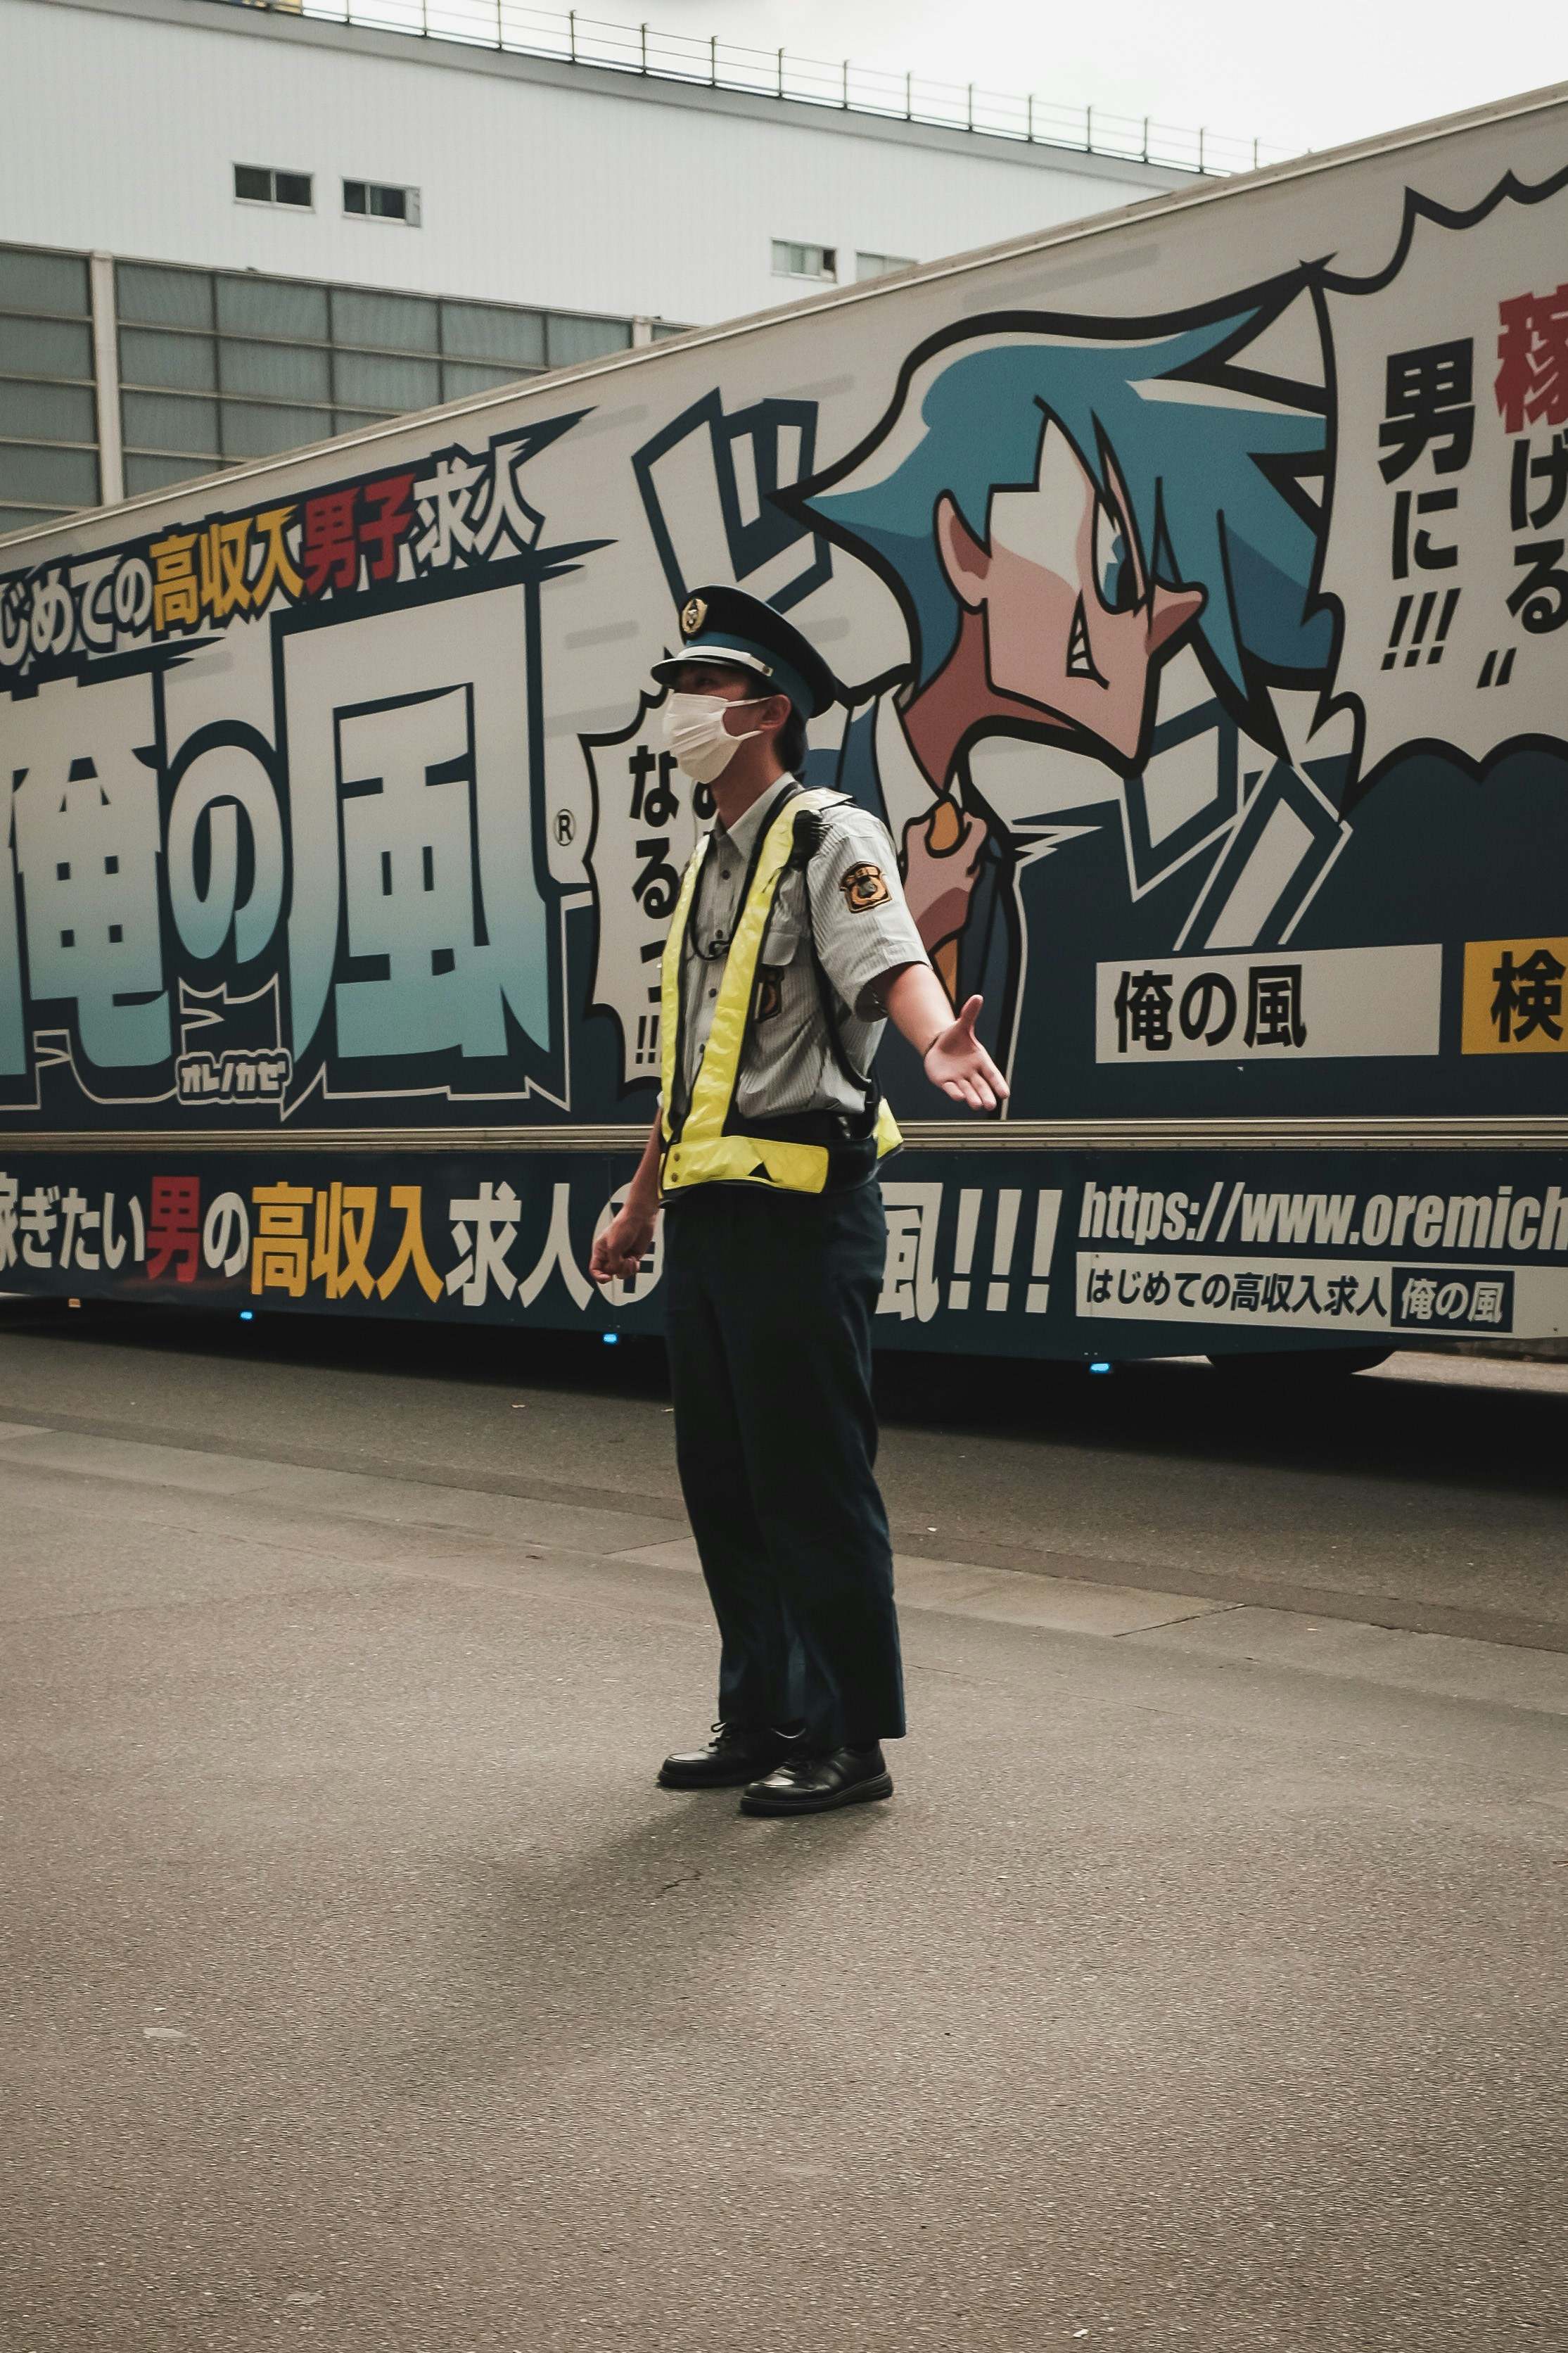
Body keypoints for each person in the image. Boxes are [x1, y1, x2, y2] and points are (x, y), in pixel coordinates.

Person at [589, 584, 1008, 1815]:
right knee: (721, 1480)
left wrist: (936, 1042)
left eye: (697, 690)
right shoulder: (710, 863)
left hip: (802, 1218)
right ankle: (760, 1710)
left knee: (810, 1482)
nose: (674, 710)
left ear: (765, 711)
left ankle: (846, 1740)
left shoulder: (831, 835)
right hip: (714, 1224)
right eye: (674, 689)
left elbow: (892, 968)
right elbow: (695, 1069)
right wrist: (639, 1203)